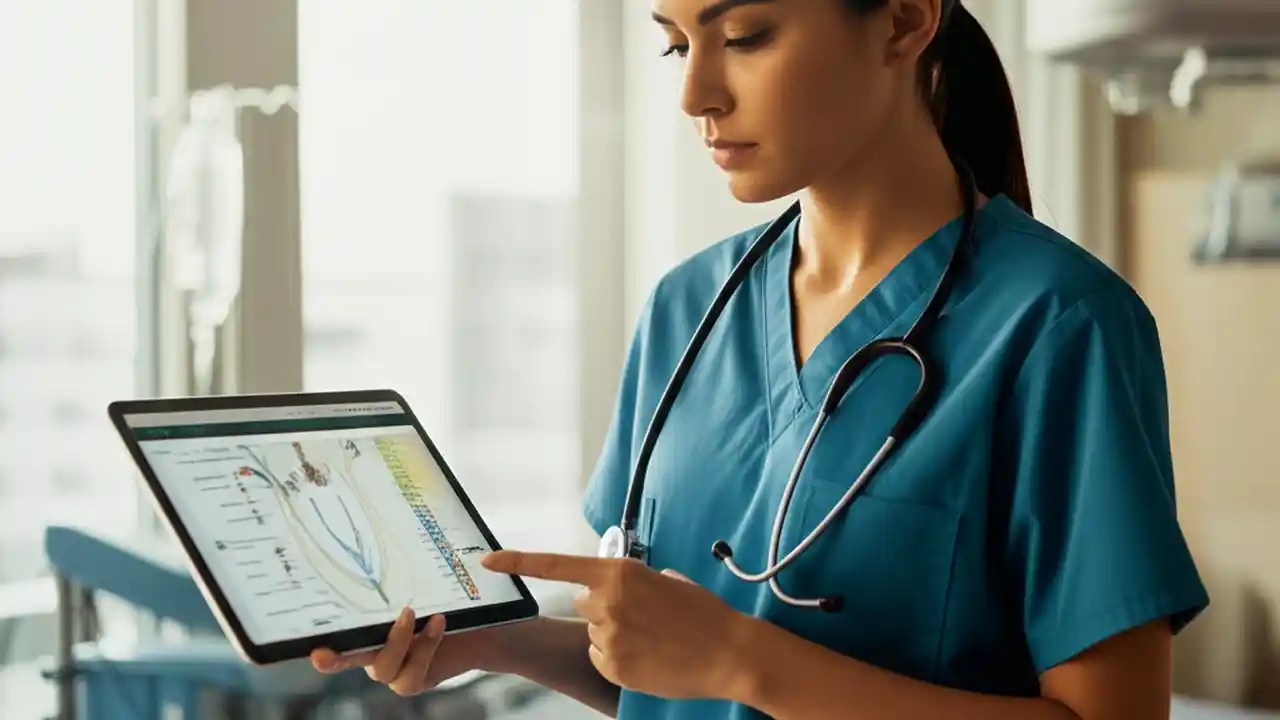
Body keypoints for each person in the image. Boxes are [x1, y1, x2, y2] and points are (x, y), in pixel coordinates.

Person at [311, 0, 1210, 717]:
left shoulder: (1061, 325)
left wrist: (745, 661)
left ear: (904, 21)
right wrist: (494, 640)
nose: (695, 93)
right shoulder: (685, 309)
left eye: (744, 36)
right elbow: (662, 677)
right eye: (675, 46)